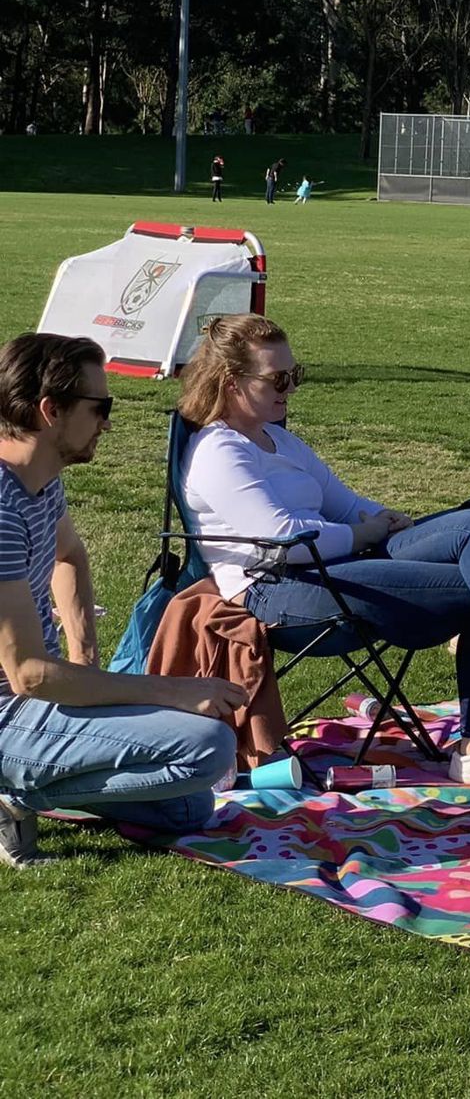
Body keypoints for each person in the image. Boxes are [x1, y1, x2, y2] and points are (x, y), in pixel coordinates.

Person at [178, 314, 470, 793]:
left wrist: (384, 518)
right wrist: (364, 534)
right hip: (280, 591)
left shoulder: (278, 438)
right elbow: (282, 538)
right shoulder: (219, 451)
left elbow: (343, 503)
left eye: (295, 375)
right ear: (232, 382)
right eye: (278, 378)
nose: (291, 388)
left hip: (335, 566)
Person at [1, 333, 241, 865]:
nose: (108, 422)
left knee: (188, 807)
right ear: (50, 411)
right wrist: (172, 691)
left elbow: (71, 557)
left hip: (31, 698)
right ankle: (14, 794)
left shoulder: (38, 480)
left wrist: (85, 665)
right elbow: (29, 675)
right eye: (100, 407)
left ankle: (28, 786)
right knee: (208, 747)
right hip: (7, 709)